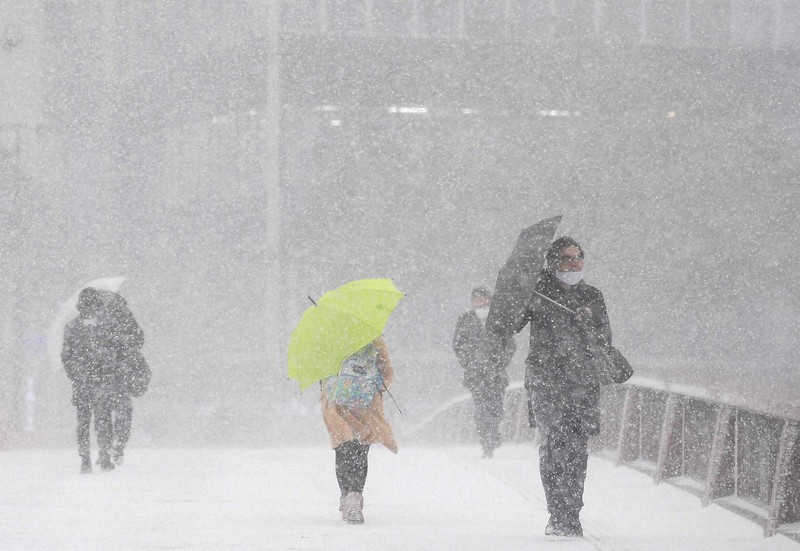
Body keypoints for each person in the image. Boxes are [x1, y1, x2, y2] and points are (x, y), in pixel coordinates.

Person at [512, 237, 613, 537]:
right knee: (554, 444)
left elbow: (605, 338)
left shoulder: (593, 297)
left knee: (578, 447)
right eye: (567, 258)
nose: (573, 263)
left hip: (583, 382)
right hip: (546, 382)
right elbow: (512, 324)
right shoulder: (538, 293)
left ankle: (573, 512)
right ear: (553, 261)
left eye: (578, 257)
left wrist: (587, 324)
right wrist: (524, 293)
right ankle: (557, 512)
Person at [320, 337, 397, 524]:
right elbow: (386, 371)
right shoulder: (372, 335)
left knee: (343, 447)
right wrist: (375, 383)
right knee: (360, 450)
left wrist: (330, 386)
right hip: (366, 402)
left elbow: (321, 372)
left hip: (337, 402)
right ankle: (354, 497)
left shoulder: (329, 337)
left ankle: (347, 495)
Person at [453, 286, 516, 458]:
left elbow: (510, 345)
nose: (482, 303)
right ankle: (486, 441)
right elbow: (458, 345)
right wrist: (470, 362)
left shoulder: (499, 320)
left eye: (485, 300)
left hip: (496, 375)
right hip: (476, 375)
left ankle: (493, 434)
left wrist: (499, 363)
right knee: (481, 408)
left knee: (495, 407)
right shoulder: (465, 321)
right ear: (473, 303)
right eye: (478, 300)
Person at [61, 287, 117, 473]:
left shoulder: (77, 326)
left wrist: (78, 373)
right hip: (91, 381)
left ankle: (94, 456)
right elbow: (67, 356)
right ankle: (95, 456)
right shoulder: (104, 325)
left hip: (90, 380)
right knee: (96, 420)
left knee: (90, 420)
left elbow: (66, 356)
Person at [95, 291, 147, 466]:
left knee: (102, 415)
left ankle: (105, 448)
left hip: (103, 375)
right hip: (121, 376)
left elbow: (91, 348)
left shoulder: (97, 320)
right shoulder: (127, 318)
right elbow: (139, 341)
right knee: (123, 412)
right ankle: (118, 443)